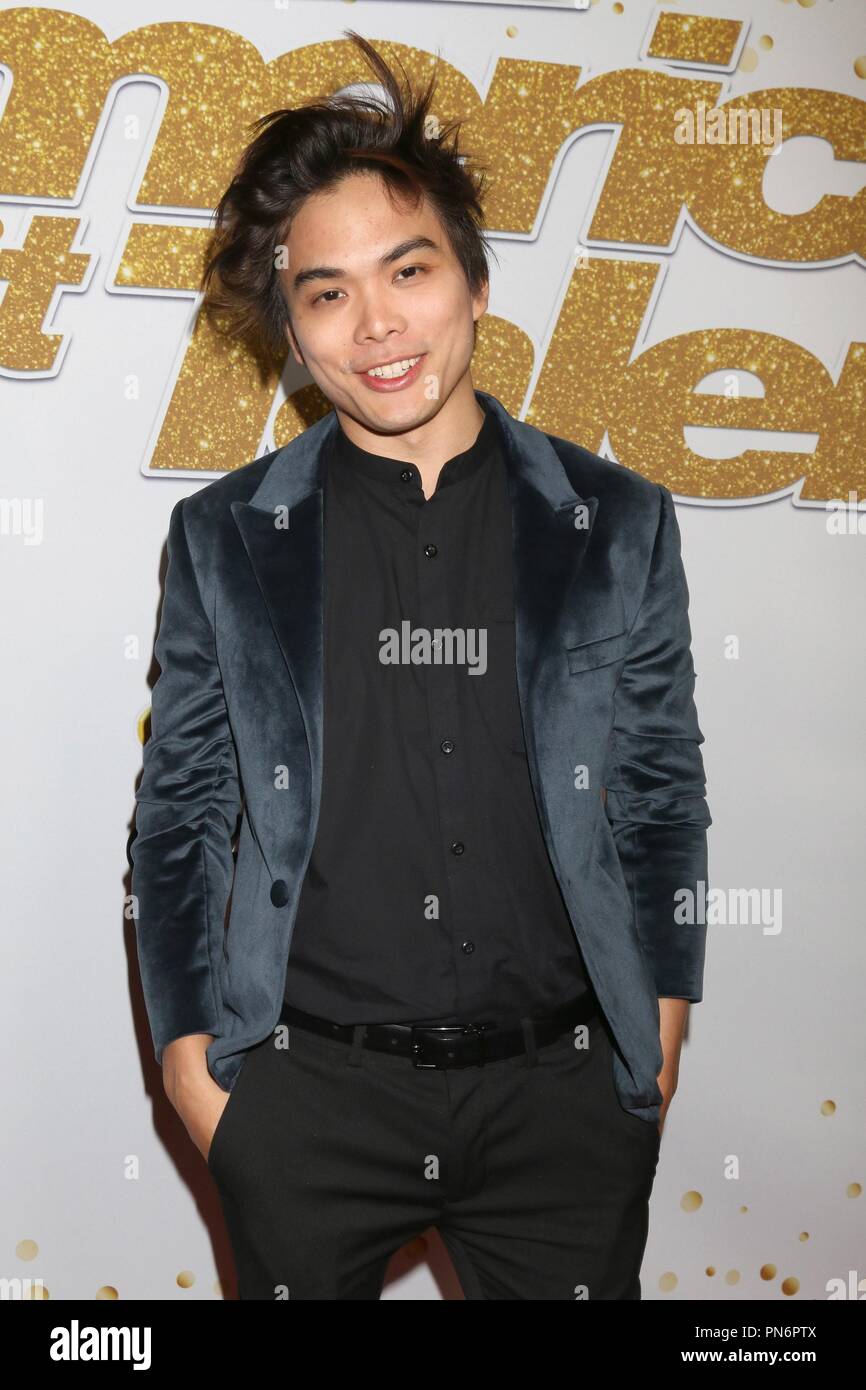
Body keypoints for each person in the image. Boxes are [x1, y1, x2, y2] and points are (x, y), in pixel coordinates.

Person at [130, 31, 711, 1300]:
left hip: (563, 1104)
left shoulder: (615, 520)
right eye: (327, 291)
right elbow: (181, 817)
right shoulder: (224, 537)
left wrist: (655, 1031)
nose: (377, 323)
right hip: (302, 1100)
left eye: (409, 269)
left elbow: (660, 790)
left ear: (475, 284)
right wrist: (192, 1067)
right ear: (292, 324)